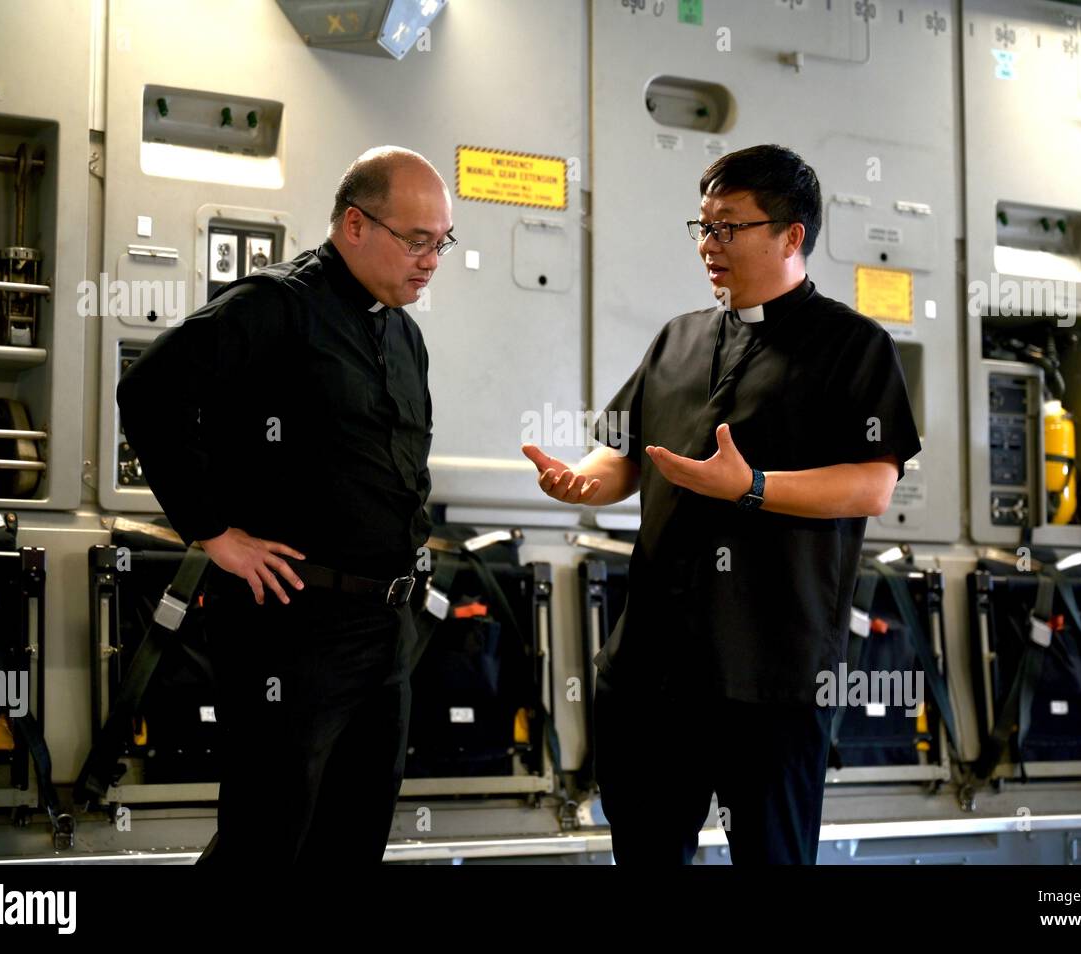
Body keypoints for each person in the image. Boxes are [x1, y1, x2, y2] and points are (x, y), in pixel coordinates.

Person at [522, 144, 921, 864]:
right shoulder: (678, 338)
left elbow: (873, 483)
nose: (709, 245)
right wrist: (581, 482)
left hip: (771, 678)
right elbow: (624, 453)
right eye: (703, 227)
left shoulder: (852, 347)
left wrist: (754, 487)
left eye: (729, 227)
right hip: (653, 670)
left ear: (791, 235)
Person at [116, 145, 455, 864]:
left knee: (352, 837)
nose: (432, 260)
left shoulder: (404, 334)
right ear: (356, 226)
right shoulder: (277, 306)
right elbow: (151, 391)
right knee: (267, 836)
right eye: (417, 240)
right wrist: (212, 531)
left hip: (383, 626)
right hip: (292, 624)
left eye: (442, 243)